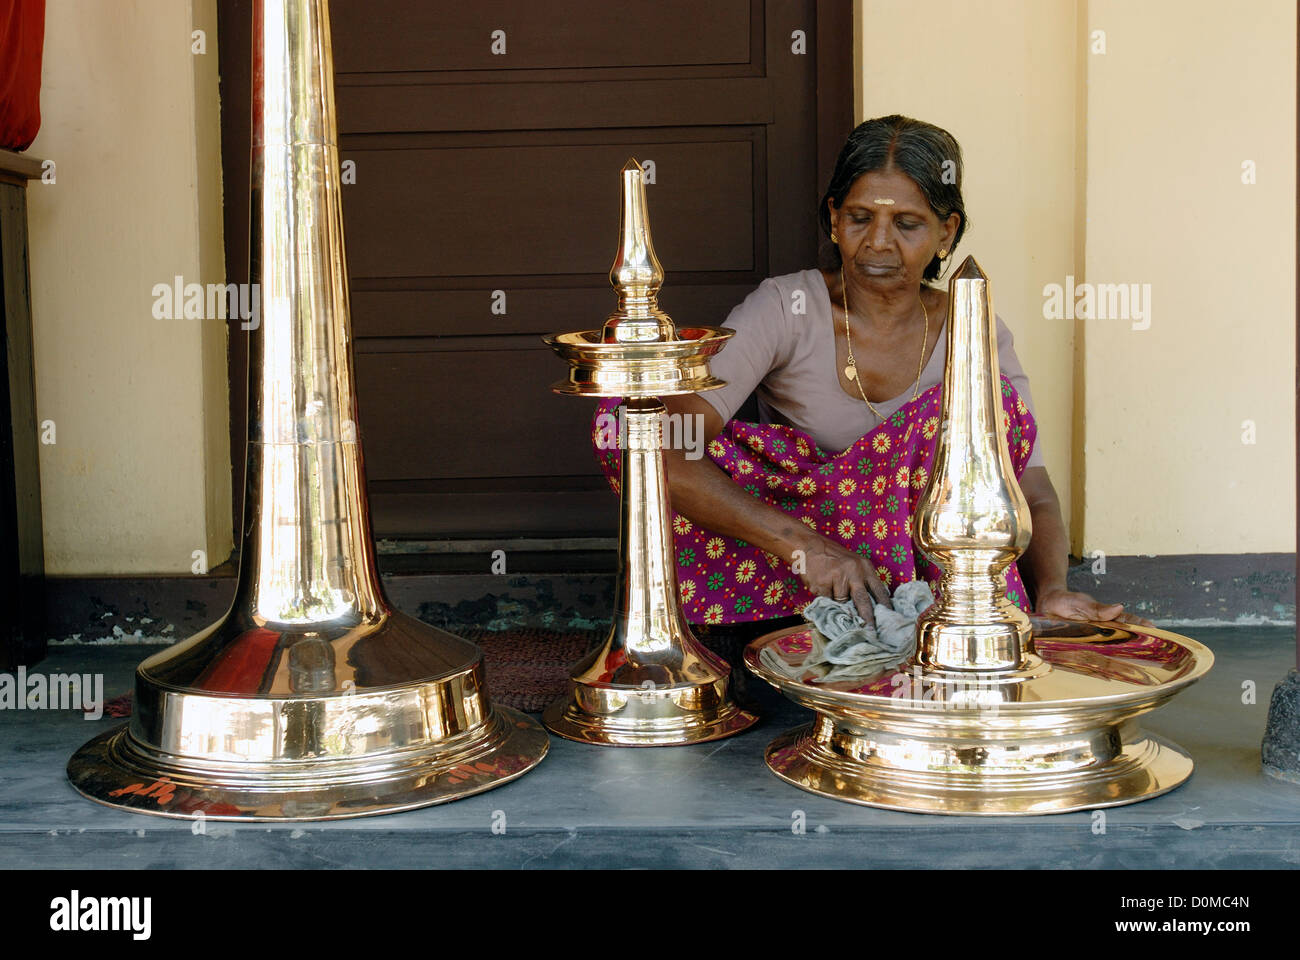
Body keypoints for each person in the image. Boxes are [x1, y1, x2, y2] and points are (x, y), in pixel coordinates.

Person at [592, 115, 1149, 631]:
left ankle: (937, 628)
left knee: (988, 408)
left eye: (907, 224)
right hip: (804, 568)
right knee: (630, 424)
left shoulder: (971, 328)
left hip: (932, 578)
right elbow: (664, 447)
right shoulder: (787, 306)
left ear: (947, 233)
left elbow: (1029, 485)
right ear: (835, 219)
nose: (879, 242)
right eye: (860, 218)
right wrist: (807, 546)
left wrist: (1051, 588)